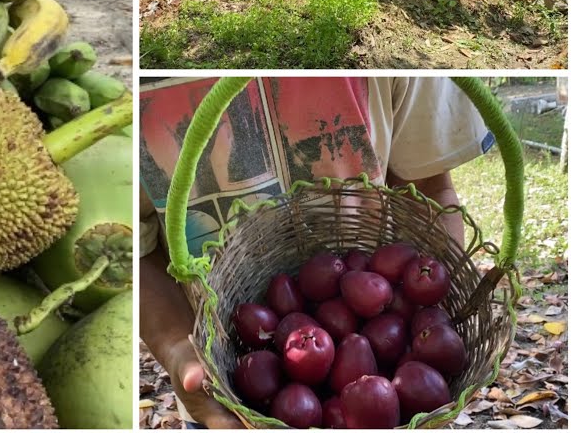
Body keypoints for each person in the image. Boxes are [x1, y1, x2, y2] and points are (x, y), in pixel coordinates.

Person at [136, 77, 492, 427]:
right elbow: (132, 247)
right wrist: (176, 348)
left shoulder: (396, 62)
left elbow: (428, 188)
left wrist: (440, 301)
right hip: (220, 387)